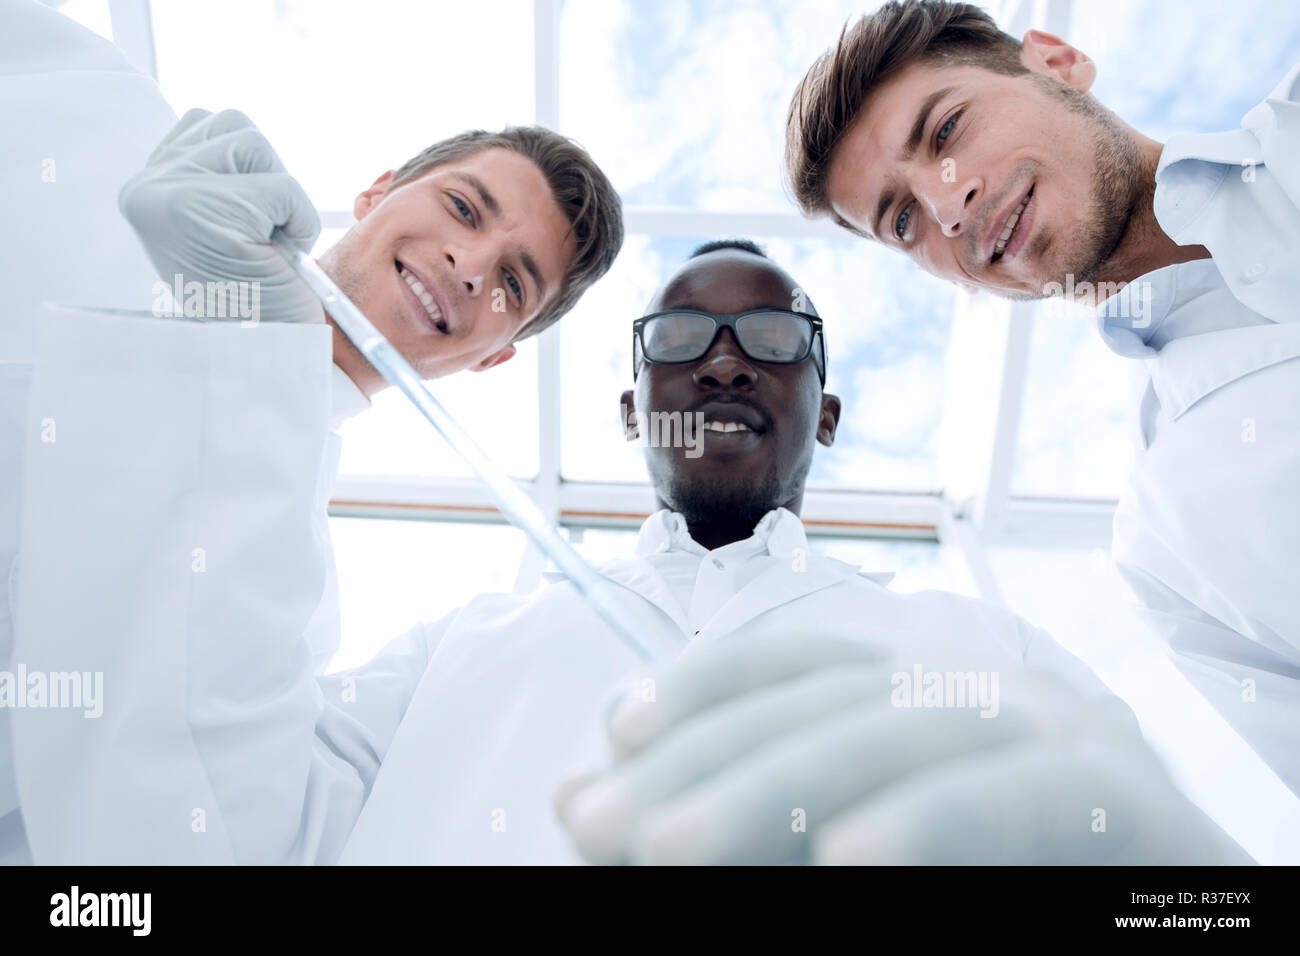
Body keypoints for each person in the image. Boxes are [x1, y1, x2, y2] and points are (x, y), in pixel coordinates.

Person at [13, 237, 1247, 864]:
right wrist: (220, 374)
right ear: (629, 406)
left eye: (771, 333)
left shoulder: (981, 648)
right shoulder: (457, 650)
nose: (724, 356)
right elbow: (188, 822)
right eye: (684, 333)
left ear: (822, 409)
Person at [0, 0, 621, 865]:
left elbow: (121, 833)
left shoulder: (284, 608)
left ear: (492, 360)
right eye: (464, 209)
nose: (471, 267)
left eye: (514, 285)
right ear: (376, 189)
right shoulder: (106, 121)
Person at [784, 0, 1300, 796]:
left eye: (946, 131)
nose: (947, 207)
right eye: (903, 219)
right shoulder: (1168, 552)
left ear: (1056, 62)